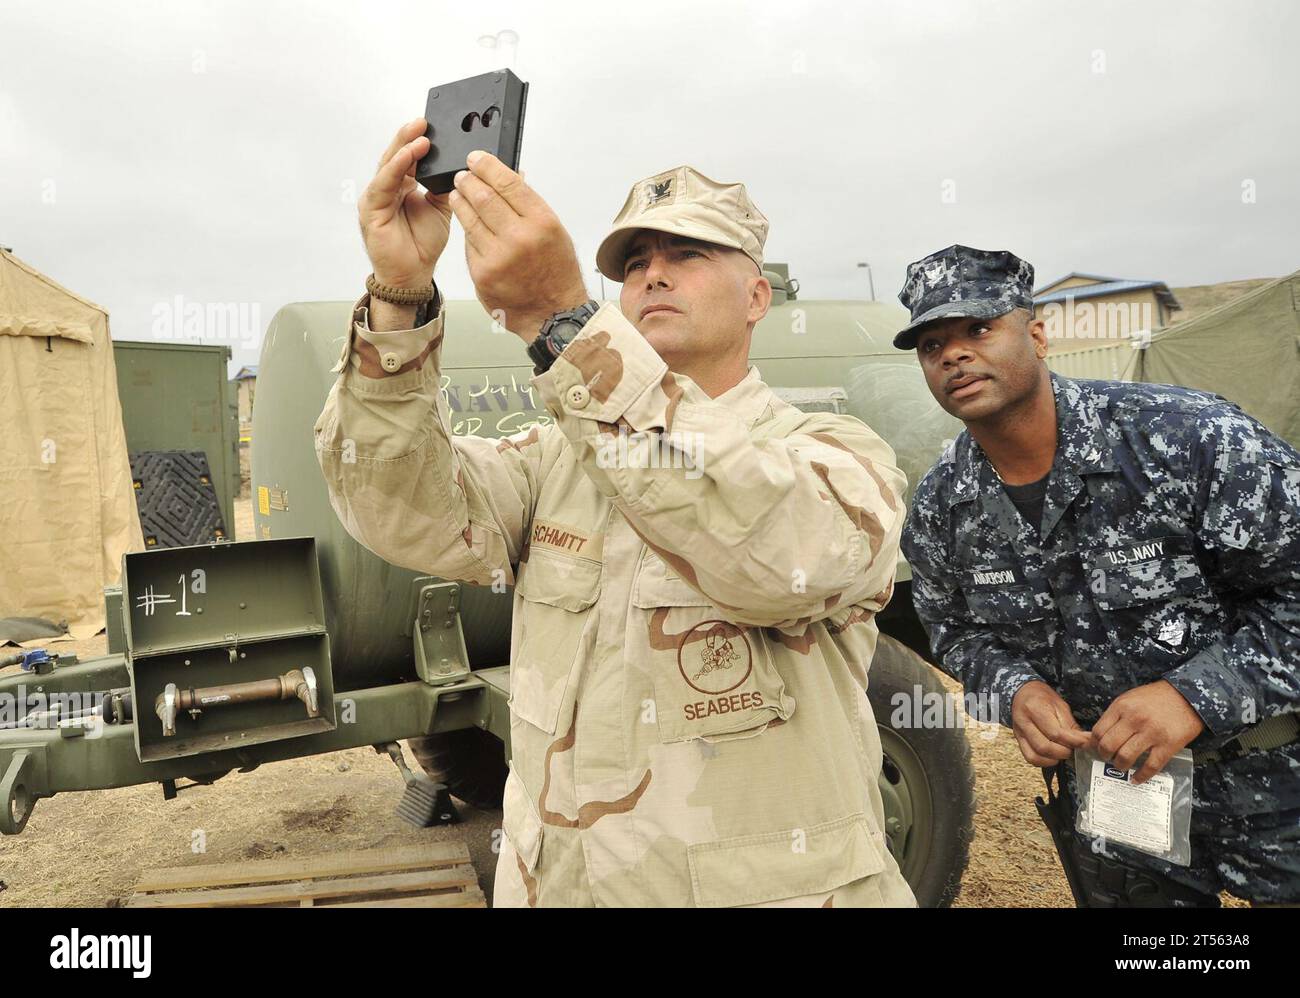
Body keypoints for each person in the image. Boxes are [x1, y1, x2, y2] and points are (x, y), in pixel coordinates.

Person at [314, 117, 914, 907]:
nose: (654, 276)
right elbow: (399, 509)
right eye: (635, 264)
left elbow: (767, 551)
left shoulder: (835, 454)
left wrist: (561, 327)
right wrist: (398, 299)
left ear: (758, 296)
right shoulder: (559, 458)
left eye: (688, 254)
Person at [897, 244, 1300, 906]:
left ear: (1036, 333)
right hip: (1122, 808)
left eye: (978, 328)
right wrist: (1016, 690)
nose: (953, 354)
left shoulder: (1189, 439)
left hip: (1274, 783)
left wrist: (1192, 695)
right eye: (931, 343)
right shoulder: (945, 504)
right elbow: (954, 628)